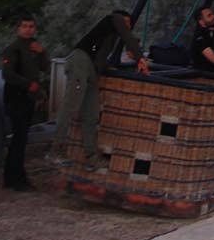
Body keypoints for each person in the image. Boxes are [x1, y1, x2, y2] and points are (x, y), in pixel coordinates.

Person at [52, 9, 148, 170]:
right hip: (81, 62)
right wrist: (140, 59)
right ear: (123, 19)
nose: (128, 27)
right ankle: (55, 151)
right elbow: (127, 35)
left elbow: (114, 49)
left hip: (92, 70)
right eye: (128, 23)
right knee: (70, 106)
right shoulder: (114, 18)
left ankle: (91, 157)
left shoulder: (109, 38)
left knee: (91, 114)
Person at [0, 14, 48, 191]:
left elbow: (44, 67)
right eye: (25, 26)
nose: (28, 29)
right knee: (18, 139)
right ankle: (16, 178)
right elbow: (8, 74)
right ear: (18, 29)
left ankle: (13, 177)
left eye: (31, 26)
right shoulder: (14, 49)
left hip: (27, 98)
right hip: (16, 97)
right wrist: (28, 85)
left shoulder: (33, 47)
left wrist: (43, 53)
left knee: (21, 139)